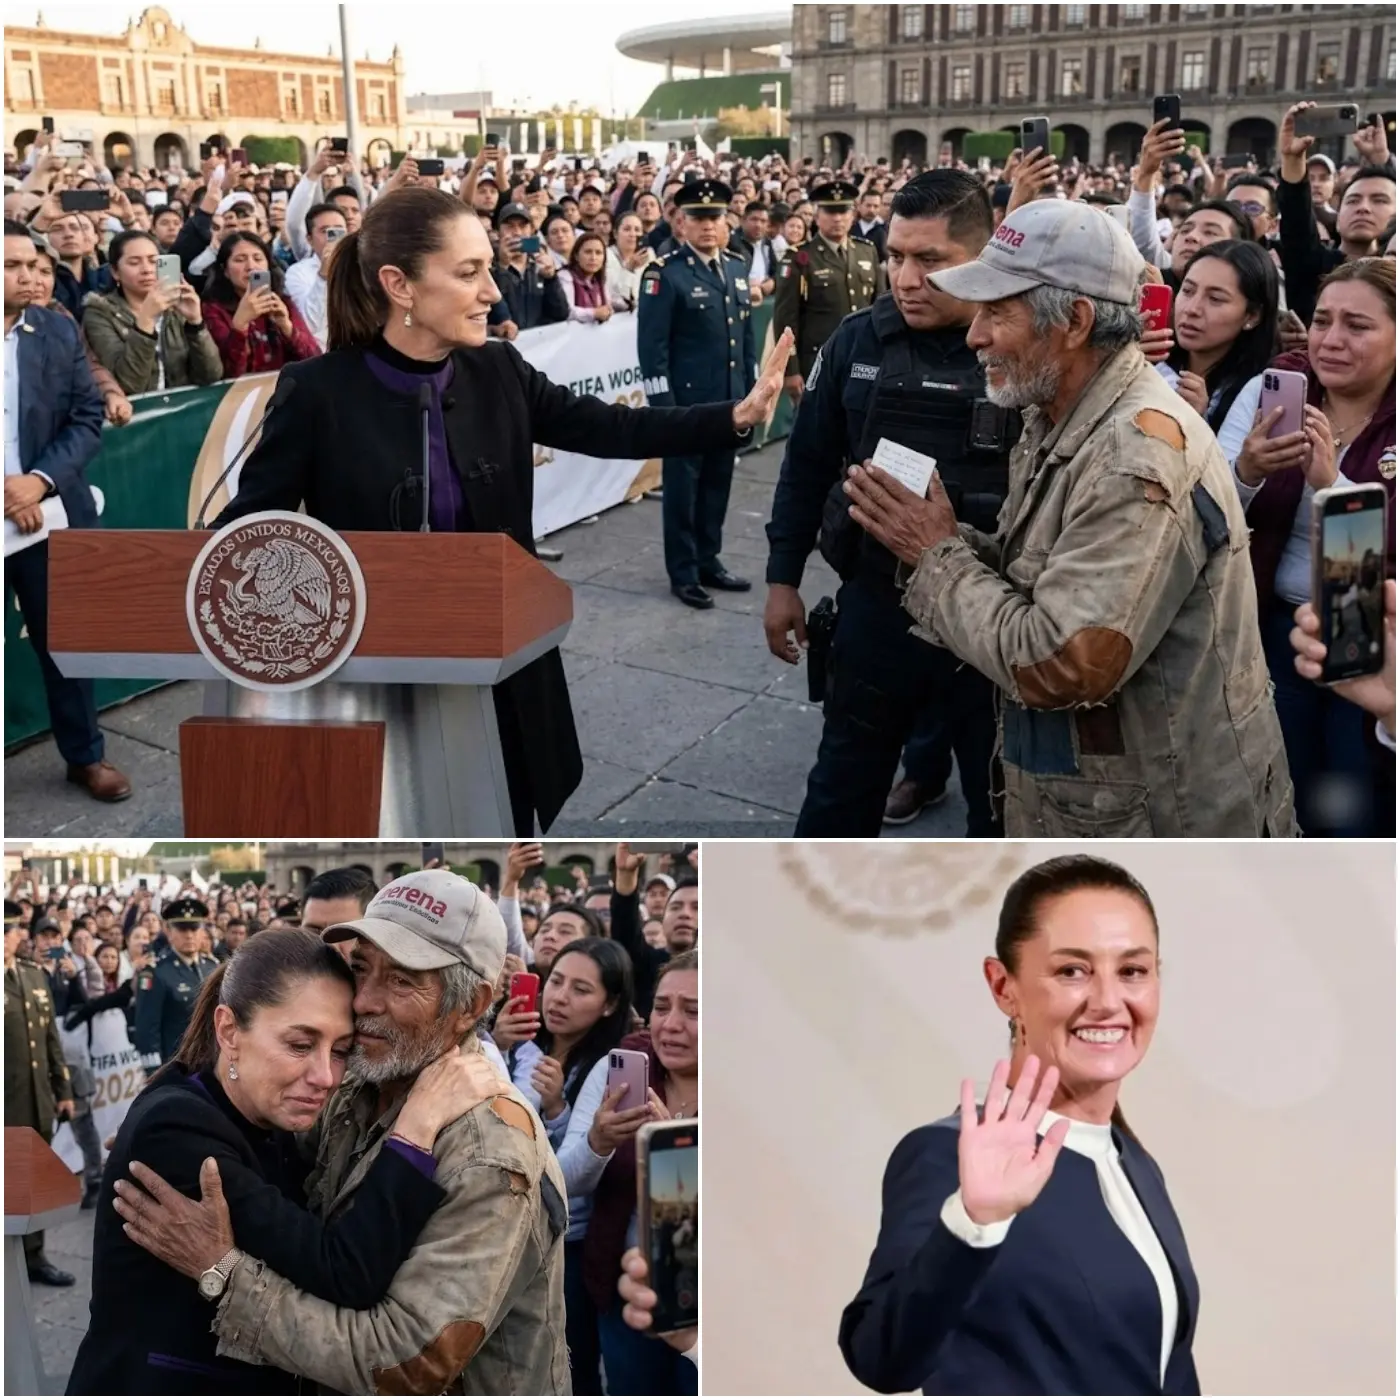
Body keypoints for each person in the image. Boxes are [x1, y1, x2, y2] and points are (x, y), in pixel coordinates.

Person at [214, 185, 789, 834]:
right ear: (399, 285)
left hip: (505, 674)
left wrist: (733, 418)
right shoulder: (317, 392)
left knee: (505, 828)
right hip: (383, 684)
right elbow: (243, 538)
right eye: (468, 273)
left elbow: (610, 429)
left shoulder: (500, 370)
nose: (492, 292)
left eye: (490, 268)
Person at [844, 198, 1295, 836]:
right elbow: (1043, 571)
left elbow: (1059, 662)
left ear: (1076, 321)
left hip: (1162, 825)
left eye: (997, 312)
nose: (974, 335)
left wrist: (936, 554)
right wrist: (934, 535)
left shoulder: (1133, 458)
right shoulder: (1060, 407)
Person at [106, 870, 571, 1394]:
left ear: (471, 1005)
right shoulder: (359, 1080)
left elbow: (402, 1360)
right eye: (360, 968)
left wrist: (222, 1272)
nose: (365, 1001)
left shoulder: (489, 1150)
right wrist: (177, 1127)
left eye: (401, 980)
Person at [840, 855, 1200, 1395]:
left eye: (1132, 970)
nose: (1108, 1002)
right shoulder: (947, 1153)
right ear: (1004, 987)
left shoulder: (1132, 1161)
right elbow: (880, 1357)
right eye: (1072, 971)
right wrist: (974, 1221)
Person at [764, 171, 1018, 836]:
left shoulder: (1023, 350)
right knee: (839, 803)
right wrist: (781, 578)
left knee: (1000, 812)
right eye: (896, 256)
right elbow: (807, 462)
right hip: (877, 611)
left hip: (990, 623)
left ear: (982, 257)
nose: (906, 278)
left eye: (930, 260)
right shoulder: (857, 340)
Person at [1234, 258, 1396, 836]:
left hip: (1372, 637)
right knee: (1284, 786)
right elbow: (1204, 509)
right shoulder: (1271, 389)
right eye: (1323, 320)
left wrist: (1334, 487)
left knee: (1360, 803)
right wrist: (1247, 471)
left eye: (1358, 325)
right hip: (1275, 629)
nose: (1331, 339)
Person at [3, 223, 133, 803]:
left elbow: (85, 418)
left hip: (46, 512)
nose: (28, 275)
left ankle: (85, 756)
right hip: (18, 506)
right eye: (12, 266)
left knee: (66, 641)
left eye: (33, 264)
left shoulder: (55, 328)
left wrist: (37, 484)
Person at [508, 936, 641, 1394]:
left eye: (581, 990)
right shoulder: (522, 1046)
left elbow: (571, 1171)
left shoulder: (607, 1067)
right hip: (510, 1231)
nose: (559, 997)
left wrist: (559, 1108)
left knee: (569, 1365)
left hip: (568, 1244)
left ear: (610, 1005)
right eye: (556, 982)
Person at [637, 180, 761, 609]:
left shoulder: (736, 267)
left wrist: (751, 394)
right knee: (683, 490)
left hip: (728, 402)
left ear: (727, 221)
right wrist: (663, 412)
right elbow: (652, 351)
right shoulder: (664, 274)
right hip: (685, 408)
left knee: (717, 485)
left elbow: (744, 340)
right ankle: (684, 572)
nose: (709, 226)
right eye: (698, 218)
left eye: (715, 218)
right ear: (680, 222)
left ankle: (710, 560)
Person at [584, 950, 699, 1396]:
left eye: (693, 1011)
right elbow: (566, 1182)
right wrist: (599, 1143)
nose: (670, 1025)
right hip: (625, 1293)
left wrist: (679, 1159)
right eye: (661, 1006)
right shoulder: (627, 1070)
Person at [1157, 239, 1279, 461]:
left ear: (1252, 316)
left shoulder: (1259, 394)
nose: (1192, 309)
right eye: (1187, 290)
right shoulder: (1153, 364)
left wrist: (1198, 424)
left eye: (1215, 299)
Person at [1277, 105, 1394, 324]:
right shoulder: (1312, 264)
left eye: (1379, 200)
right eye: (1353, 200)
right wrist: (1293, 159)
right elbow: (1297, 220)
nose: (1364, 208)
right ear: (1338, 216)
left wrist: (1381, 160)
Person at [774, 180, 885, 409]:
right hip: (819, 361)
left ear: (852, 215)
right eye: (830, 212)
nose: (837, 219)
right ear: (816, 217)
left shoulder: (867, 250)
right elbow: (786, 318)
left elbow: (879, 306)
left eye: (843, 211)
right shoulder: (799, 257)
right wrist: (791, 370)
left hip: (863, 358)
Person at [80, 230, 222, 394]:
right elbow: (129, 385)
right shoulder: (100, 312)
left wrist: (196, 324)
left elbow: (210, 376)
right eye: (134, 263)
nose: (147, 269)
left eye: (154, 261)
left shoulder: (175, 309)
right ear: (115, 272)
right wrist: (145, 321)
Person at [200, 232, 320, 379]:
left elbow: (314, 359)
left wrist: (287, 327)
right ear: (225, 270)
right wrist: (240, 326)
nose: (251, 266)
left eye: (258, 259)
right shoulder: (213, 309)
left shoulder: (283, 303)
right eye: (240, 260)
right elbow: (229, 373)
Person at [133, 896, 220, 1078]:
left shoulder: (212, 966)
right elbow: (147, 1028)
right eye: (181, 929)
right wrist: (154, 1071)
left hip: (214, 1063)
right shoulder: (157, 972)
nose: (189, 935)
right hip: (178, 1067)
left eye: (194, 928)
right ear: (169, 932)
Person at [611, 845, 698, 1019]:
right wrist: (626, 875)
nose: (685, 914)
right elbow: (626, 931)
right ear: (663, 920)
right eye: (675, 907)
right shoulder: (648, 964)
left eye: (697, 907)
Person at [487, 201, 568, 339]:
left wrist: (551, 279)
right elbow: (493, 314)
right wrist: (502, 268)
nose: (517, 232)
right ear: (498, 232)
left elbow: (561, 313)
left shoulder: (540, 265)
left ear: (531, 230)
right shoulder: (488, 267)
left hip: (538, 348)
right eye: (509, 226)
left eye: (523, 226)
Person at [281, 202, 348, 351]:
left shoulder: (364, 267)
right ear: (310, 239)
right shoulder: (297, 273)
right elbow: (309, 325)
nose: (332, 238)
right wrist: (324, 274)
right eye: (325, 231)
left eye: (338, 231)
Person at [559, 231, 625, 321]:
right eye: (588, 252)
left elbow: (609, 303)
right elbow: (567, 311)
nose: (593, 258)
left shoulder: (599, 280)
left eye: (598, 253)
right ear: (576, 256)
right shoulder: (565, 276)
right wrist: (594, 313)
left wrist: (626, 305)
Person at [728, 202, 778, 302]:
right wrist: (746, 284)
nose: (758, 225)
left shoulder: (767, 242)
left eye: (763, 221)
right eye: (754, 219)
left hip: (764, 297)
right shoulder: (731, 242)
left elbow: (777, 270)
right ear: (743, 220)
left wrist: (773, 282)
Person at [608, 211, 656, 309]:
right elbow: (616, 298)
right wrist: (629, 270)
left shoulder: (648, 254)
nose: (633, 234)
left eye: (637, 230)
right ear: (615, 233)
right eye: (627, 229)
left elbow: (652, 288)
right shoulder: (607, 256)